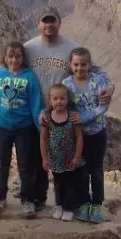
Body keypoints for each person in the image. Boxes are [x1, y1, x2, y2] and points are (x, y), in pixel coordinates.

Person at [0, 6, 114, 210]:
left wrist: (109, 86)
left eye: (52, 20)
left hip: (63, 113)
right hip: (35, 113)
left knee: (65, 159)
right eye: (45, 21)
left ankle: (68, 202)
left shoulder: (70, 48)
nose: (49, 25)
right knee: (37, 159)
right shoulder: (28, 48)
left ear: (59, 23)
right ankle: (37, 199)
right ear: (39, 24)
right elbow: (9, 68)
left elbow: (94, 69)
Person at [0, 41, 42, 218]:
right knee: (3, 164)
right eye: (10, 56)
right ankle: (0, 197)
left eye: (18, 56)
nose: (14, 60)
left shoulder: (29, 77)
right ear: (5, 57)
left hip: (25, 128)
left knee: (25, 166)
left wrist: (40, 129)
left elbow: (35, 104)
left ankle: (27, 200)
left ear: (23, 58)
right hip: (2, 128)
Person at [62, 47, 109, 223]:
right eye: (76, 64)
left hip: (97, 133)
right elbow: (61, 104)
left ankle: (97, 204)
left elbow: (103, 106)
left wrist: (85, 117)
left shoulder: (98, 82)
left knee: (96, 170)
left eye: (83, 64)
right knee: (81, 169)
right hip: (77, 137)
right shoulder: (67, 84)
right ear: (70, 65)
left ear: (89, 65)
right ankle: (83, 202)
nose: (79, 68)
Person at [40, 84, 84, 222]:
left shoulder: (72, 117)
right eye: (55, 99)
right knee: (58, 184)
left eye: (62, 98)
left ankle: (69, 208)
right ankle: (58, 205)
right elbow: (43, 139)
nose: (59, 101)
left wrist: (77, 156)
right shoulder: (47, 118)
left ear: (67, 100)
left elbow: (79, 137)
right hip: (55, 159)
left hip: (70, 158)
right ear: (50, 101)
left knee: (70, 184)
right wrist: (44, 158)